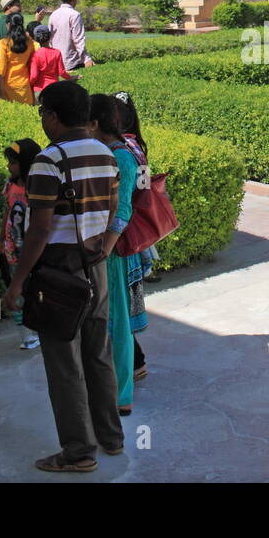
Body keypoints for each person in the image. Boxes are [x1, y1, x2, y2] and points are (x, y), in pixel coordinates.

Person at [3, 81, 123, 473]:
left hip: (58, 271)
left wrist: (17, 283)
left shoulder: (48, 160)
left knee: (64, 364)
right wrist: (97, 245)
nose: (42, 120)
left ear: (53, 116)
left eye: (42, 113)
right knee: (98, 353)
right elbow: (113, 210)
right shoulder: (105, 153)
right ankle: (111, 437)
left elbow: (39, 231)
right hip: (95, 264)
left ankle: (78, 452)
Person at [89, 94, 144, 416]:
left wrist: (103, 250)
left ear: (95, 123)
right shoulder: (111, 151)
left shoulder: (120, 156)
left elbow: (122, 212)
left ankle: (121, 395)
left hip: (113, 253)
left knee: (117, 323)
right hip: (108, 250)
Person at [113, 90, 153, 384]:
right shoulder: (137, 144)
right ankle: (134, 362)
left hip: (124, 235)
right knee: (123, 304)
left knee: (120, 307)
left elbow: (125, 200)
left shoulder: (122, 150)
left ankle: (134, 363)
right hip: (135, 230)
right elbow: (144, 187)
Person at [0, 138, 42, 350]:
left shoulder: (38, 186)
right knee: (16, 288)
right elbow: (7, 212)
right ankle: (27, 334)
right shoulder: (10, 186)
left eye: (13, 162)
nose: (9, 166)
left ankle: (38, 328)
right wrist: (1, 239)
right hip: (12, 249)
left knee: (35, 289)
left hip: (33, 250)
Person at [0, 14, 37, 104]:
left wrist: (0, 90)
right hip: (25, 86)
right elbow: (32, 63)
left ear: (8, 25)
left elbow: (1, 69)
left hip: (8, 86)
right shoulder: (30, 42)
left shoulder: (3, 43)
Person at [48, 0, 87, 73]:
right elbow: (78, 40)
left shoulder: (53, 15)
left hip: (55, 63)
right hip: (71, 63)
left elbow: (49, 39)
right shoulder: (75, 15)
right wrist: (86, 59)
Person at [29, 25, 71, 96]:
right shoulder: (57, 52)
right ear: (49, 36)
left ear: (36, 39)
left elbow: (34, 76)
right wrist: (71, 78)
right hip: (54, 88)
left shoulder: (34, 55)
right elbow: (62, 72)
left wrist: (29, 85)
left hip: (39, 90)